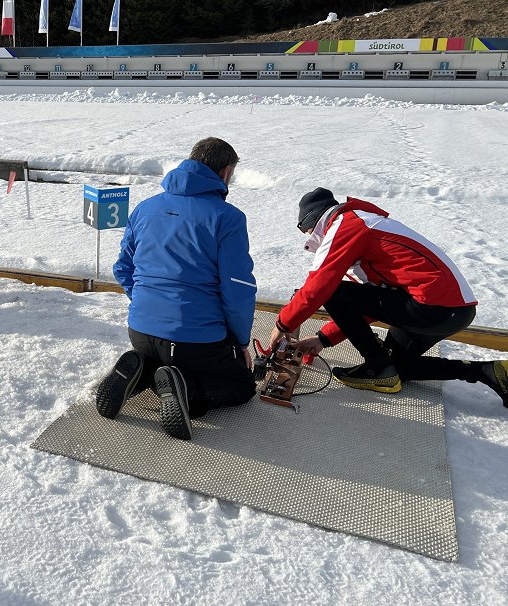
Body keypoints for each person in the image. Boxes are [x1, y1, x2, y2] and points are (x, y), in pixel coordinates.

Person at [267, 188, 507, 406]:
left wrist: (283, 323)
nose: (309, 238)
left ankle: (378, 368)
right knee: (398, 367)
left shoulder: (347, 224)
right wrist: (323, 339)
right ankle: (486, 372)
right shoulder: (367, 224)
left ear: (313, 223)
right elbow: (374, 305)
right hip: (453, 311)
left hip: (432, 306)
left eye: (307, 232)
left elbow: (319, 286)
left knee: (334, 290)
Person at [96, 137, 258, 440]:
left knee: (164, 359)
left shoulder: (145, 208)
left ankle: (141, 369)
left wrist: (145, 302)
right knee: (242, 385)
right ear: (224, 173)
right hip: (194, 339)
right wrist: (239, 340)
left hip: (140, 331)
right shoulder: (228, 218)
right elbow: (237, 288)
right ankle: (186, 389)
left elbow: (123, 268)